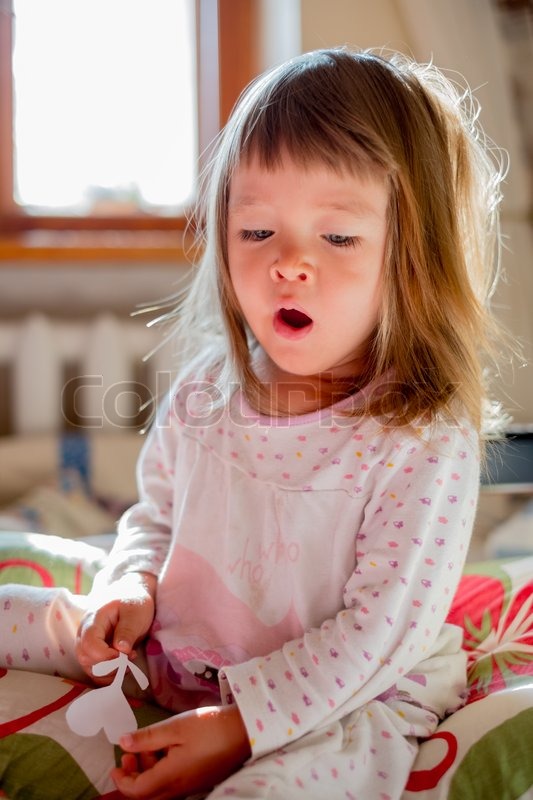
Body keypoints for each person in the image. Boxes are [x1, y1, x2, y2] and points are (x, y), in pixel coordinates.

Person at [0, 47, 508, 799]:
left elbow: (376, 633)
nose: (289, 263)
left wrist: (238, 729)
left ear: (412, 257)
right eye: (257, 231)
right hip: (180, 655)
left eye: (338, 237)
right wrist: (132, 586)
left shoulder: (421, 437)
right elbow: (156, 516)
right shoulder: (207, 389)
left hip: (349, 693)